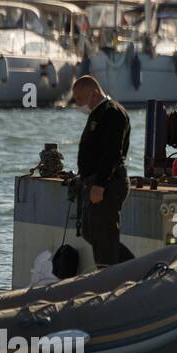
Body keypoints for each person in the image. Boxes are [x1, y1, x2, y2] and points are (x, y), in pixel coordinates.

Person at [72, 75, 135, 269]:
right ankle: (133, 267)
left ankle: (108, 276)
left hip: (108, 182)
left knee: (104, 232)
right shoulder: (97, 114)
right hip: (94, 181)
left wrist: (100, 184)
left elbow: (112, 153)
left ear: (94, 93)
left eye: (81, 99)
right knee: (90, 231)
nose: (79, 105)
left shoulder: (112, 113)